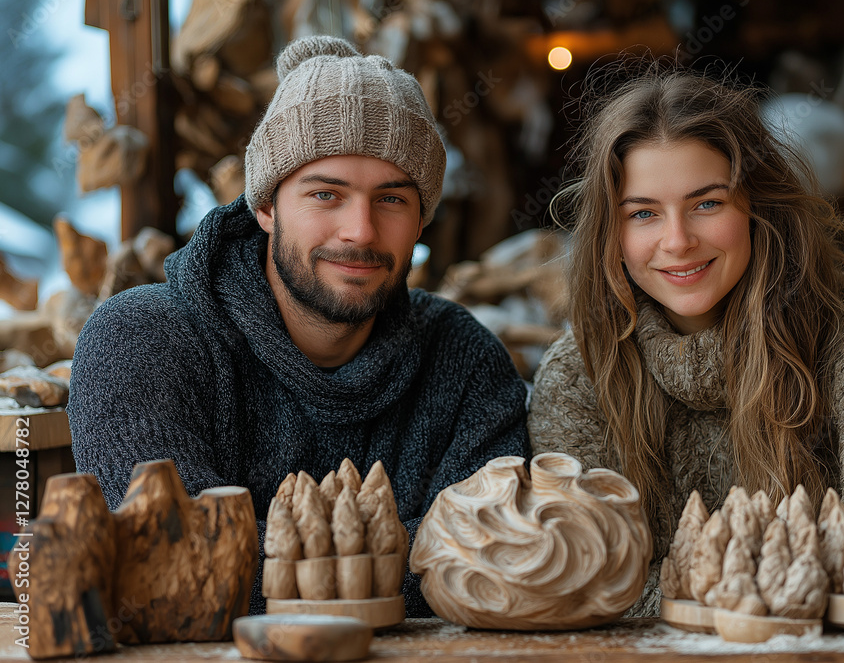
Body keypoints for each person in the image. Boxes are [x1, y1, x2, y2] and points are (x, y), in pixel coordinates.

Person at [69, 36, 531, 617]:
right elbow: (172, 567)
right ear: (265, 206)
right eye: (326, 194)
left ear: (421, 220)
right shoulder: (141, 340)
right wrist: (417, 551)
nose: (360, 230)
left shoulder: (462, 357)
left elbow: (496, 559)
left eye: (391, 199)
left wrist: (259, 556)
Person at [527, 64, 844, 615]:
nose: (677, 241)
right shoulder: (579, 371)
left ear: (758, 203)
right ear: (609, 233)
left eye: (707, 203)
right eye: (643, 213)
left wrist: (692, 593)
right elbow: (579, 580)